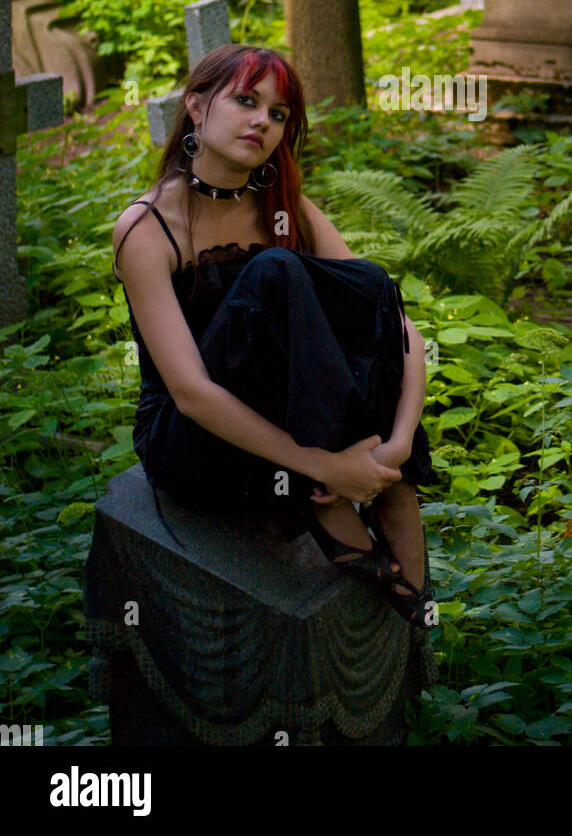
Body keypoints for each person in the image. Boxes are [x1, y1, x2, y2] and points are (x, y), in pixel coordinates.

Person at [111, 42, 437, 629]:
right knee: (276, 271)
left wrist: (400, 445)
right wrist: (325, 467)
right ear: (196, 106)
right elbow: (191, 394)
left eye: (279, 113)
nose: (262, 120)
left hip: (293, 421)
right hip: (192, 439)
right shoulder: (147, 228)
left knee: (363, 283)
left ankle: (392, 492)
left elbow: (390, 323)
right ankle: (332, 496)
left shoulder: (287, 209)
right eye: (246, 100)